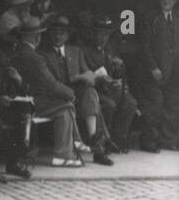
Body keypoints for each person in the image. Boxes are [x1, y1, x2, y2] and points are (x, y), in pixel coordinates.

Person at [9, 16, 80, 166]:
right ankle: (65, 152)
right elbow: (51, 85)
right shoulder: (34, 57)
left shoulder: (18, 51)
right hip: (30, 103)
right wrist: (71, 93)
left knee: (65, 105)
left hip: (21, 101)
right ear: (37, 37)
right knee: (66, 104)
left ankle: (70, 148)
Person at [42, 14, 112, 166]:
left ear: (67, 36)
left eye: (61, 33)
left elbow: (89, 76)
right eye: (54, 33)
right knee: (95, 104)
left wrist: (86, 77)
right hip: (59, 97)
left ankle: (93, 139)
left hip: (78, 94)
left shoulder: (75, 51)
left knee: (91, 93)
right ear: (49, 34)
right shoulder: (44, 54)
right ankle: (98, 147)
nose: (57, 36)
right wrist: (73, 81)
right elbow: (50, 83)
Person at [134, 0, 179, 152]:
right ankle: (149, 141)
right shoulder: (150, 17)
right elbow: (143, 45)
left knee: (172, 106)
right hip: (153, 71)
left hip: (173, 71)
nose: (166, 0)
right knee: (153, 106)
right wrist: (153, 67)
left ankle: (167, 140)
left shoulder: (176, 19)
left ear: (175, 1)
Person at [82, 15, 137, 153]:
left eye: (106, 35)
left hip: (110, 89)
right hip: (95, 91)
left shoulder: (110, 49)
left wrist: (119, 77)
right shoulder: (84, 50)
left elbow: (117, 73)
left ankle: (118, 141)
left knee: (130, 102)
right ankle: (102, 142)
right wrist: (99, 78)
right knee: (109, 105)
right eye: (100, 34)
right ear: (93, 34)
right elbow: (84, 75)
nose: (104, 38)